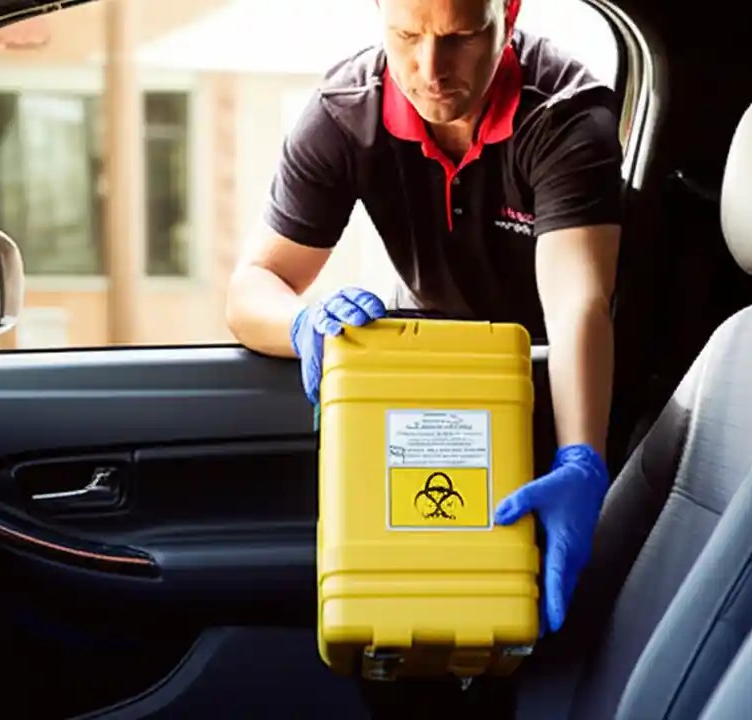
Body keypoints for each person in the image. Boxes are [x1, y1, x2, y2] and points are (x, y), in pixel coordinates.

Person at [224, 0, 623, 637]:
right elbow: (253, 287)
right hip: (447, 393)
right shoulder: (344, 114)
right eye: (407, 35)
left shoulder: (565, 112)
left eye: (461, 37)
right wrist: (305, 324)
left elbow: (578, 304)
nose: (430, 67)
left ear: (508, 15)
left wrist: (581, 458)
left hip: (567, 388)